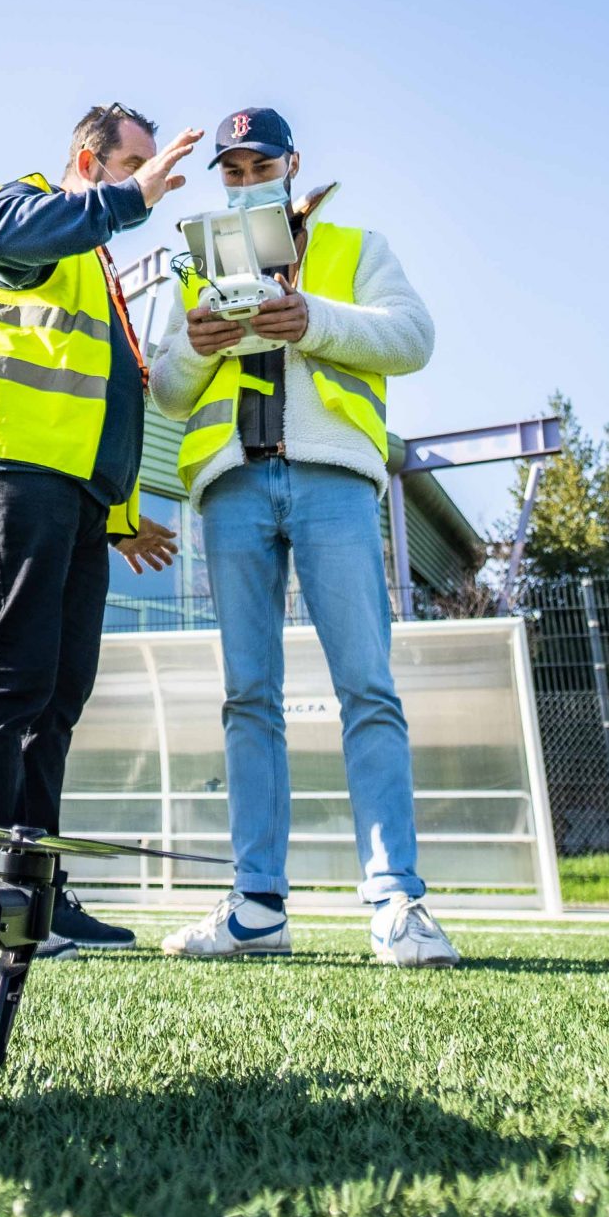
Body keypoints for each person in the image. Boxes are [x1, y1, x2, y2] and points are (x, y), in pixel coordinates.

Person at [148, 107, 459, 967]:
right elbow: (170, 389)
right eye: (233, 171)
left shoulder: (357, 247)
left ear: (292, 164)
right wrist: (202, 346)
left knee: (367, 685)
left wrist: (310, 320)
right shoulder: (190, 267)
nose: (246, 181)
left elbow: (414, 338)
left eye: (259, 166)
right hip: (234, 489)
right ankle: (257, 905)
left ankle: (397, 901)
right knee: (249, 697)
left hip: (332, 485)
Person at [0, 103, 197, 953]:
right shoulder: (22, 208)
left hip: (73, 503)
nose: (150, 179)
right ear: (89, 161)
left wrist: (120, 519)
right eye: (135, 165)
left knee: (56, 697)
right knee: (7, 680)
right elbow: (10, 235)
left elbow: (103, 408)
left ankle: (34, 893)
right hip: (6, 477)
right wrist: (127, 202)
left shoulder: (96, 262)